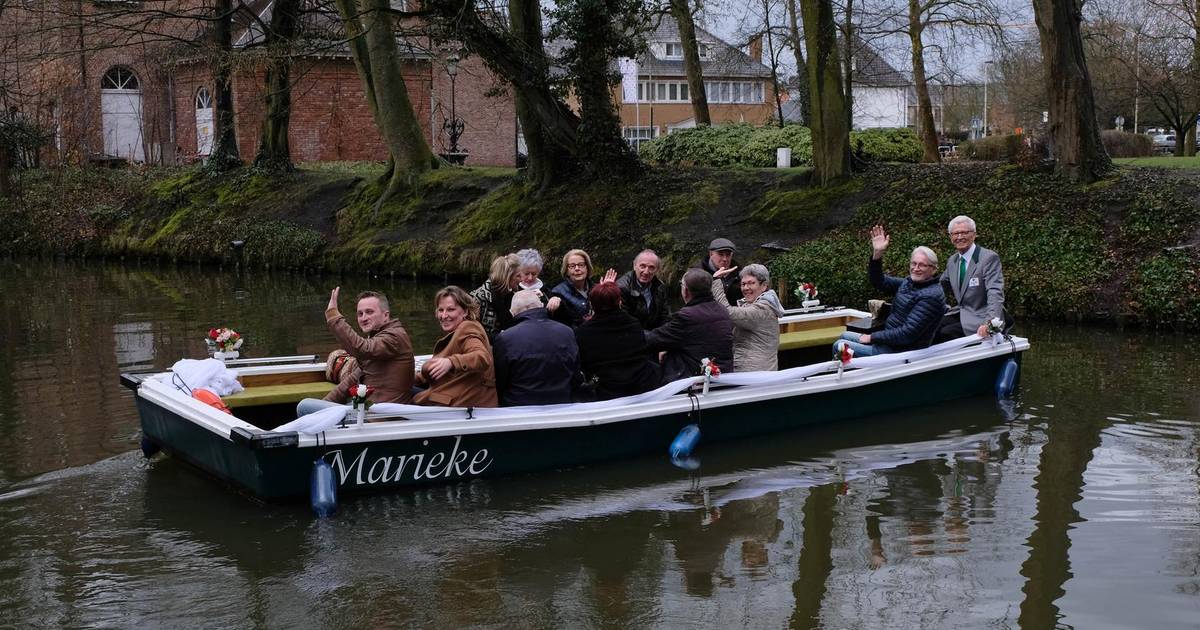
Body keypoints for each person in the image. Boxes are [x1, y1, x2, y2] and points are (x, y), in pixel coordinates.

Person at [297, 288, 415, 416]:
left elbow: (360, 348)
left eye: (369, 312)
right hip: (368, 410)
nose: (364, 318)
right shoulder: (379, 341)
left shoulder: (394, 337)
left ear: (385, 315)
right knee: (313, 407)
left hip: (381, 417)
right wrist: (324, 403)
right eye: (360, 314)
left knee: (304, 406)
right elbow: (351, 381)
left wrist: (333, 315)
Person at [832, 226, 945, 358]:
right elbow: (879, 281)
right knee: (844, 335)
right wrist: (877, 254)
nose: (916, 268)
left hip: (901, 352)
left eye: (922, 265)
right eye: (913, 263)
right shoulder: (908, 283)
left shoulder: (931, 296)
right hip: (889, 344)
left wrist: (872, 337)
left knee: (839, 345)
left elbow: (907, 334)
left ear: (933, 269)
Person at [574, 281, 662, 400]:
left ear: (592, 304)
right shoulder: (634, 324)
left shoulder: (583, 332)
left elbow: (583, 365)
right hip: (639, 386)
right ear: (619, 302)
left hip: (605, 390)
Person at [413, 286, 498, 408]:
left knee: (397, 395)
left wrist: (451, 362)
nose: (444, 316)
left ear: (465, 311)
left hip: (468, 402)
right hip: (455, 395)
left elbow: (482, 357)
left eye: (450, 309)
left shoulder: (468, 328)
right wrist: (409, 378)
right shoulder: (459, 330)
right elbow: (437, 369)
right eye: (440, 310)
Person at [493, 289, 581, 406]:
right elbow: (576, 374)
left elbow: (500, 380)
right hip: (562, 402)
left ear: (512, 312)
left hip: (519, 406)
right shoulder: (567, 332)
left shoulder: (505, 338)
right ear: (541, 305)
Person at [646, 268, 734, 384]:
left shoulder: (687, 316)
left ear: (686, 290)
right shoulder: (722, 310)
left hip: (695, 381)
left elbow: (652, 340)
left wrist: (631, 330)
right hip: (722, 377)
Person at [938, 215, 1006, 339]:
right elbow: (939, 287)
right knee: (931, 327)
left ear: (974, 235)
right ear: (950, 237)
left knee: (945, 333)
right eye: (955, 233)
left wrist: (990, 323)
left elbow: (995, 292)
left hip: (981, 318)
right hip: (960, 313)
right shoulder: (952, 261)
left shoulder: (988, 258)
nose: (959, 237)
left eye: (964, 233)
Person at [711, 263, 785, 371]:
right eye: (743, 284)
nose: (746, 288)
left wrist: (716, 282)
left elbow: (728, 312)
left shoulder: (762, 309)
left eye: (751, 283)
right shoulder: (750, 305)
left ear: (764, 286)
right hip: (752, 371)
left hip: (755, 374)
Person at [547, 249, 617, 327]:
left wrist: (607, 292)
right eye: (572, 266)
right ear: (566, 271)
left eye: (581, 265)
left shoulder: (596, 288)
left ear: (587, 267)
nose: (577, 268)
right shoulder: (558, 293)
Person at [616, 249, 671, 330]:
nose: (646, 272)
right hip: (631, 333)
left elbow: (665, 316)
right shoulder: (622, 288)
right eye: (642, 266)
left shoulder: (660, 287)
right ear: (634, 266)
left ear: (657, 270)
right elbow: (623, 321)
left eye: (651, 267)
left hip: (654, 333)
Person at [470, 253, 521, 341]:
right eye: (518, 276)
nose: (522, 279)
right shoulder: (477, 299)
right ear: (507, 276)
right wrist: (500, 337)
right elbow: (471, 332)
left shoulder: (513, 295)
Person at [696, 238, 742, 305]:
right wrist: (715, 279)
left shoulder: (739, 272)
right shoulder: (697, 273)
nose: (725, 259)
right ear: (711, 254)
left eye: (728, 255)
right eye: (721, 254)